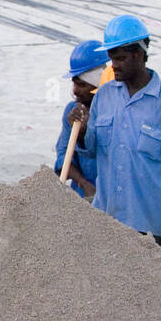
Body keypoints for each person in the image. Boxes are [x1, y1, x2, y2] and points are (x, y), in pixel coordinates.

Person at [71, 15, 161, 257]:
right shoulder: (104, 96)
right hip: (108, 219)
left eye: (120, 58)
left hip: (150, 227)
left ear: (140, 55)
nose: (114, 66)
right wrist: (81, 131)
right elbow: (92, 150)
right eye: (111, 59)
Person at [54, 39, 107, 200]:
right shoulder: (72, 111)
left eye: (82, 85)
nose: (75, 91)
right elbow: (63, 155)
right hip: (82, 194)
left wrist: (85, 133)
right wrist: (83, 183)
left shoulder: (113, 113)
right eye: (74, 84)